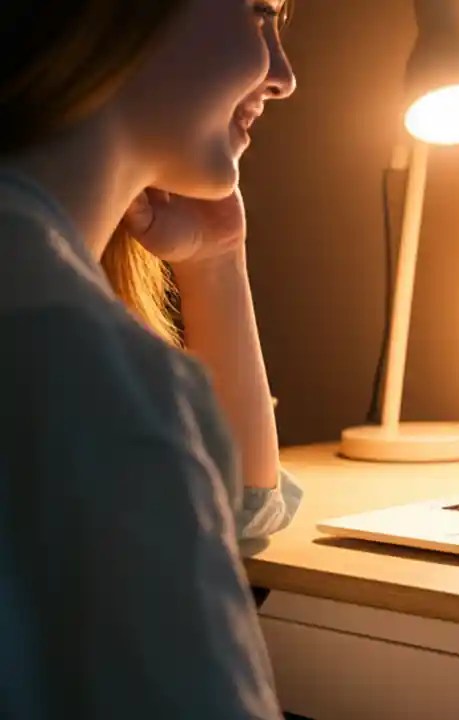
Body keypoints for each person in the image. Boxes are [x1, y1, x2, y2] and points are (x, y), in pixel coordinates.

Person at [1, 0, 300, 716]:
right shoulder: (90, 376)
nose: (283, 76)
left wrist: (218, 261)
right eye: (259, 15)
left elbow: (240, 509)